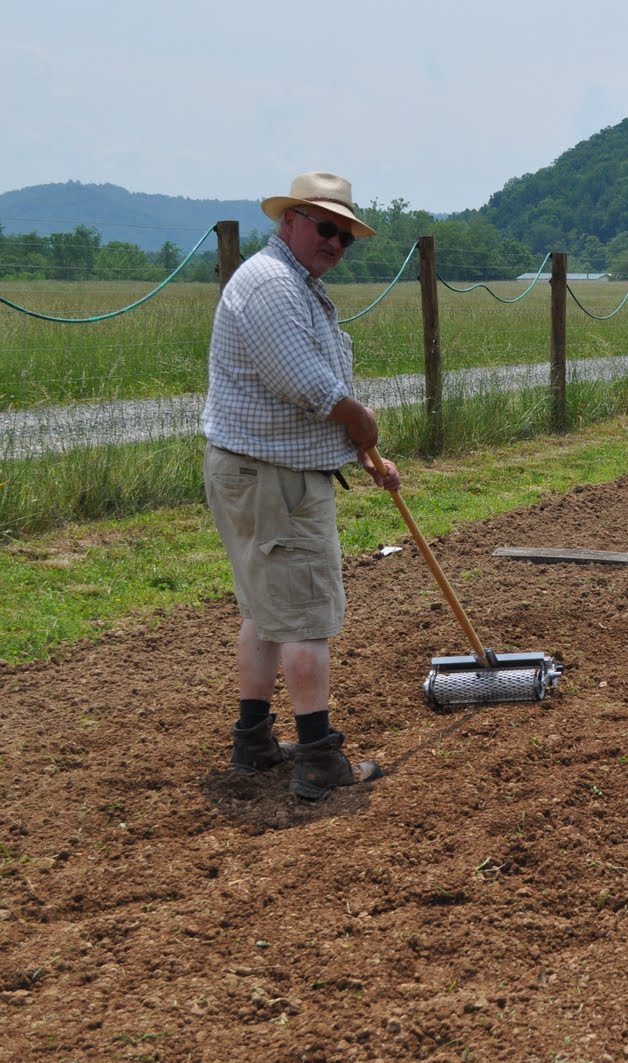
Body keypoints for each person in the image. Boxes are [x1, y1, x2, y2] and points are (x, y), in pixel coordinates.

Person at [202, 171, 400, 801]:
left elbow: (311, 391)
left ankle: (254, 742)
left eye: (345, 236)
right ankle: (319, 760)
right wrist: (358, 417)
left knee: (266, 613)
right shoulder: (273, 285)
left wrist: (362, 449)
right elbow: (306, 383)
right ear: (289, 221)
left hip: (263, 470)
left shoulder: (293, 284)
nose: (335, 242)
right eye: (325, 228)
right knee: (305, 619)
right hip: (276, 482)